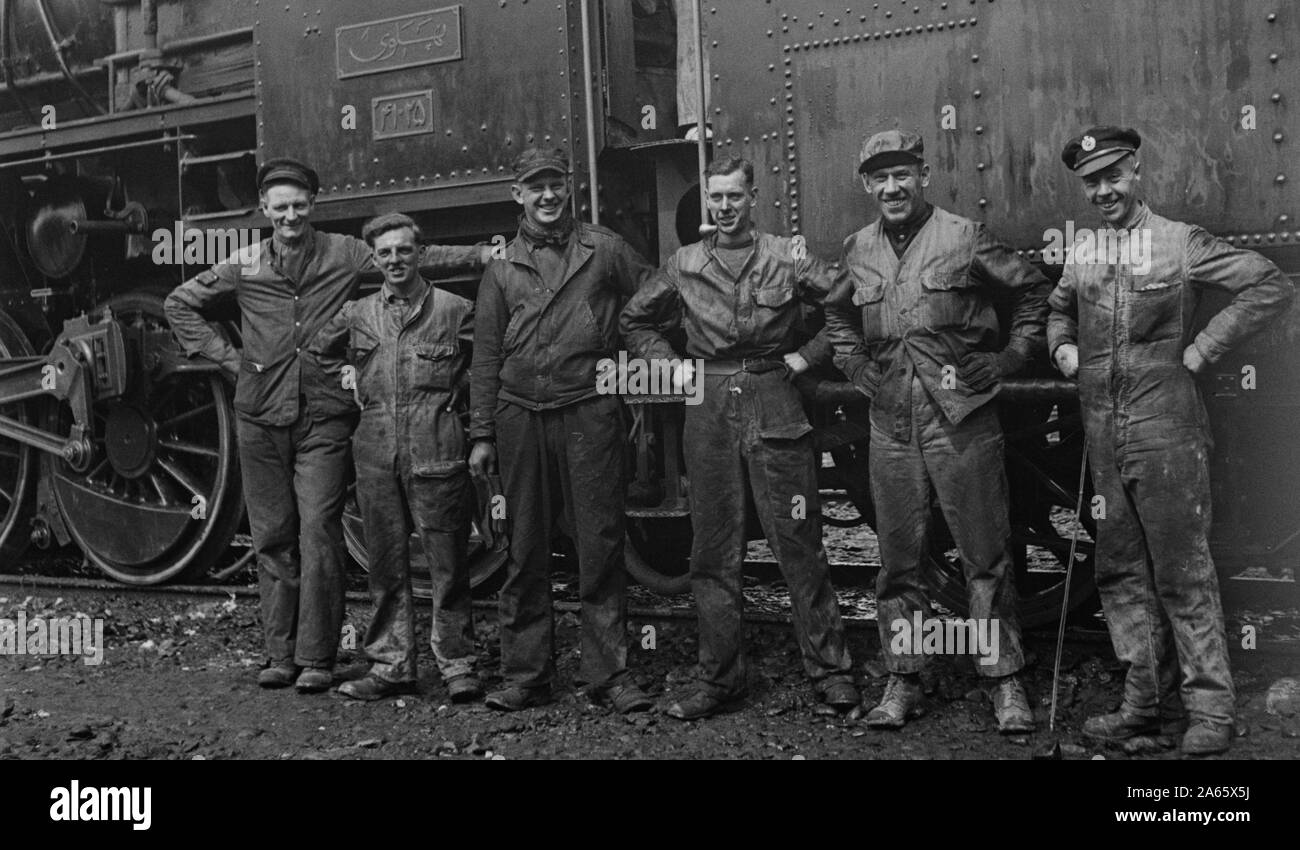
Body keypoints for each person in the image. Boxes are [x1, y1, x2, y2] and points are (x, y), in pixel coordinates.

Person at [164, 158, 489, 693]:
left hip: (322, 417)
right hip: (259, 414)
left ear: (312, 205)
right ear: (264, 210)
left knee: (319, 530)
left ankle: (317, 658)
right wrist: (229, 360)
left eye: (299, 205)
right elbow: (180, 304)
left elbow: (410, 256)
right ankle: (278, 655)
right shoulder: (244, 263)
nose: (290, 215)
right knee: (272, 537)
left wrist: (480, 254)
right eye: (280, 206)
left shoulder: (344, 251)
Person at [1049, 126, 1295, 754]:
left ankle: (1209, 712)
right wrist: (1063, 346)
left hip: (1168, 432)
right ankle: (1145, 706)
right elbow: (1056, 308)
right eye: (1091, 182)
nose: (1103, 190)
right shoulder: (1082, 253)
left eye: (1113, 176)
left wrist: (1204, 347)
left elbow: (1269, 283)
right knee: (1119, 571)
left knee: (1183, 571)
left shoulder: (1179, 242)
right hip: (1103, 435)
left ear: (1136, 172)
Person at [824, 130, 1051, 733]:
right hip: (892, 423)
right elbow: (835, 312)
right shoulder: (858, 248)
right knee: (900, 562)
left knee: (985, 556)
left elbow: (1032, 291)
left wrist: (1007, 360)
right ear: (867, 186)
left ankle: (1004, 683)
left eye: (903, 175)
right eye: (880, 178)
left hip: (963, 418)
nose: (893, 188)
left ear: (923, 175)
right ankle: (904, 677)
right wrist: (853, 367)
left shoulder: (964, 235)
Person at [621, 155, 859, 720]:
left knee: (798, 541)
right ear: (707, 201)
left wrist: (810, 355)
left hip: (774, 395)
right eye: (716, 198)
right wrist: (672, 367)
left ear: (755, 196)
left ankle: (833, 672)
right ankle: (720, 679)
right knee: (712, 549)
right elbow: (635, 320)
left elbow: (845, 297)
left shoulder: (786, 254)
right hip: (706, 405)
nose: (725, 207)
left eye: (735, 196)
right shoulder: (683, 263)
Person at [468, 148, 655, 713]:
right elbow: (485, 355)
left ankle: (609, 675)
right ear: (517, 195)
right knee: (524, 549)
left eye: (556, 184)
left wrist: (622, 338)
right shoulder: (501, 267)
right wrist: (481, 434)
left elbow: (657, 292)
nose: (548, 196)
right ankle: (526, 675)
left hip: (589, 411)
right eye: (535, 187)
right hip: (519, 415)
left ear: (568, 187)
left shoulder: (604, 249)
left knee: (599, 544)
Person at [309, 213, 482, 703]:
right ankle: (390, 665)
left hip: (437, 447)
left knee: (449, 566)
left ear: (421, 253)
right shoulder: (357, 314)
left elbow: (489, 362)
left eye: (403, 250)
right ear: (375, 259)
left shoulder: (455, 309)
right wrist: (348, 385)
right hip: (375, 449)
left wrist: (459, 398)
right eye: (384, 253)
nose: (394, 260)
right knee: (385, 567)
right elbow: (319, 355)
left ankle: (458, 665)